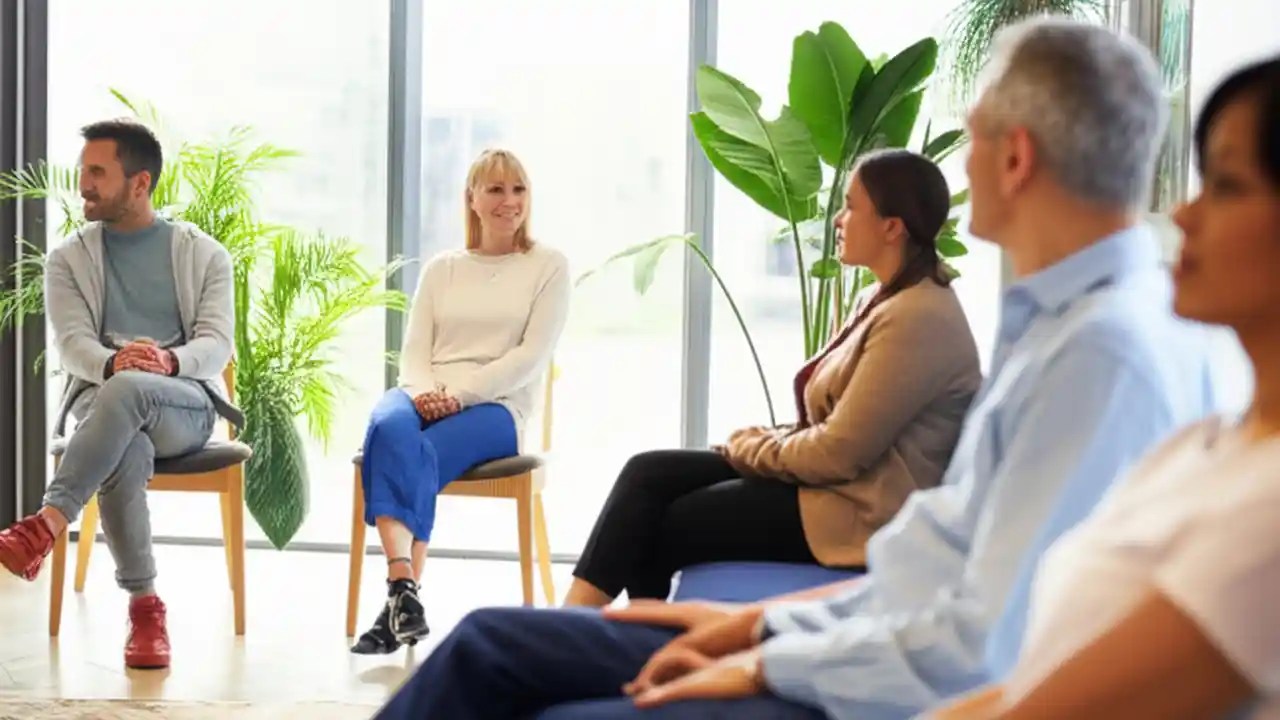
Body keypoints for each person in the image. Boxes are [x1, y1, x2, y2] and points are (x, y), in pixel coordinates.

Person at [369, 17, 1221, 720]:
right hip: (859, 634)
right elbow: (933, 571)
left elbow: (974, 644)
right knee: (489, 639)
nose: (958, 166)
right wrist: (753, 625)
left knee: (523, 685)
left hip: (873, 683)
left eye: (976, 133)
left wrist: (766, 661)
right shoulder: (1061, 332)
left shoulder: (1100, 358)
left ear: (1017, 155)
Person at [928, 56, 1280, 720]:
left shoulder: (1270, 510)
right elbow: (1024, 691)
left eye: (1228, 186)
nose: (1185, 213)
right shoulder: (1200, 448)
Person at [563, 149, 982, 607]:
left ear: (891, 226)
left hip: (862, 511)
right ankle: (568, 625)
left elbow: (839, 454)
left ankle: (614, 647)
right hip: (836, 487)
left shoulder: (920, 317)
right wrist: (762, 442)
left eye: (850, 206)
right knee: (649, 472)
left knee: (672, 524)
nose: (838, 220)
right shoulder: (882, 297)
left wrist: (752, 448)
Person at [0, 119, 240, 669]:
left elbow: (216, 342)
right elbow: (71, 345)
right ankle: (145, 610)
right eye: (84, 170)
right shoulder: (67, 259)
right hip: (105, 402)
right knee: (124, 447)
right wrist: (113, 362)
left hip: (183, 403)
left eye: (97, 173)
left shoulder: (204, 255)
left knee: (133, 391)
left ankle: (47, 522)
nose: (84, 183)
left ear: (140, 183)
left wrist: (169, 360)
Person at [350, 148, 570, 655]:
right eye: (495, 189)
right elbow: (415, 350)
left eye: (518, 189)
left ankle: (396, 606)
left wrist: (458, 395)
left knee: (414, 452)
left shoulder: (548, 266)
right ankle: (403, 589)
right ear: (471, 199)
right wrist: (426, 391)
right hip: (423, 392)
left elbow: (530, 358)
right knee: (387, 427)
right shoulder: (443, 268)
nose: (508, 201)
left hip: (497, 408)